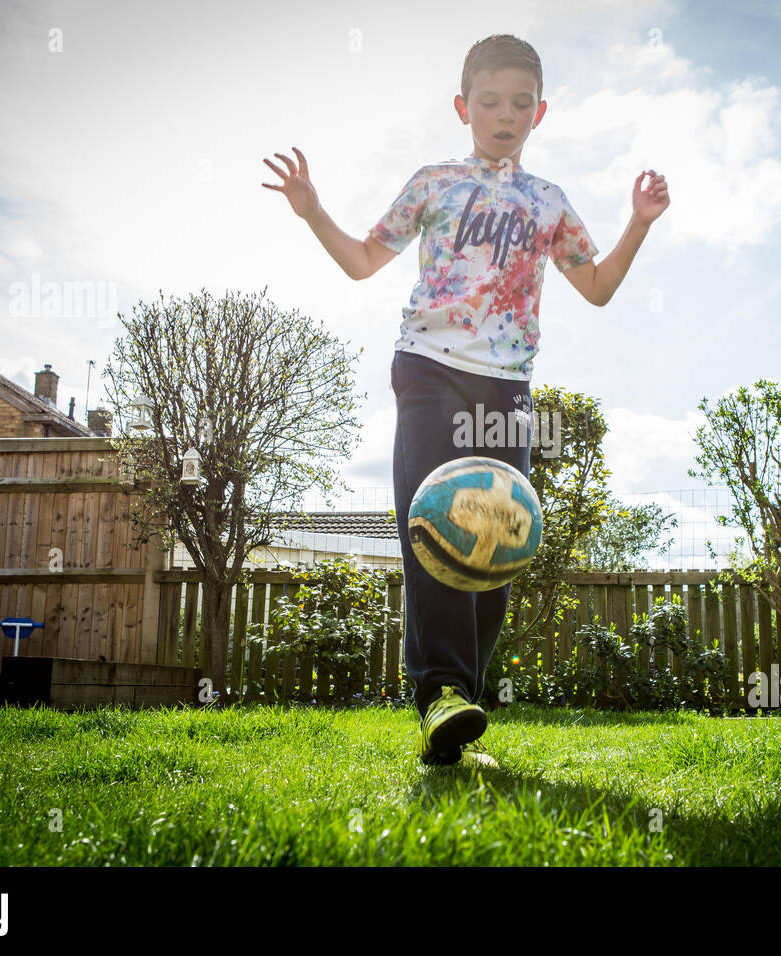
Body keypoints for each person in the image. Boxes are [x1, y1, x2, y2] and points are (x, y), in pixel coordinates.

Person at [262, 33, 669, 768]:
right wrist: (311, 210)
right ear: (463, 106)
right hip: (427, 369)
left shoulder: (549, 202)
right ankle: (440, 691)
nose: (504, 114)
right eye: (489, 101)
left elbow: (598, 288)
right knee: (433, 528)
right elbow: (362, 261)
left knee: (498, 542)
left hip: (505, 384)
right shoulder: (433, 183)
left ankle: (459, 713)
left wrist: (638, 223)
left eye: (519, 102)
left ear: (540, 112)